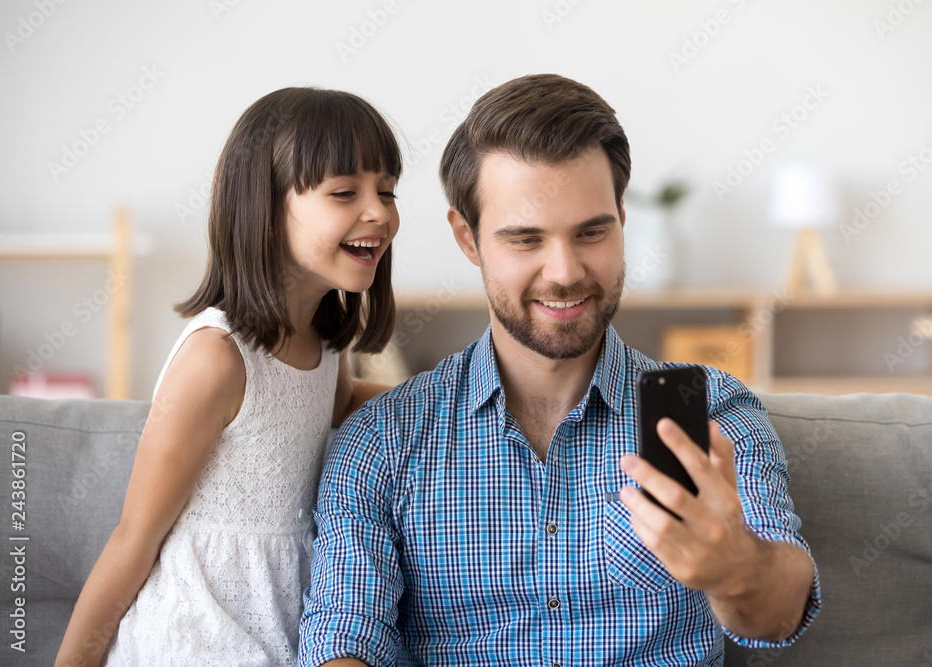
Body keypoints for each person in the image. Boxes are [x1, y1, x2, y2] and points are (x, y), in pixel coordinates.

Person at [299, 74, 820, 667]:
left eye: (592, 232)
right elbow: (343, 638)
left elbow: (780, 615)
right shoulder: (383, 441)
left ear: (622, 219)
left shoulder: (712, 415)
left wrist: (737, 569)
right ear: (468, 239)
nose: (565, 271)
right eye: (525, 240)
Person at [55, 87, 402, 667]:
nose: (380, 212)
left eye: (387, 190)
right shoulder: (217, 357)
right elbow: (133, 538)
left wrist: (458, 396)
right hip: (195, 638)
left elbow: (340, 406)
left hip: (283, 626)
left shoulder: (322, 342)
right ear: (263, 214)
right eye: (345, 192)